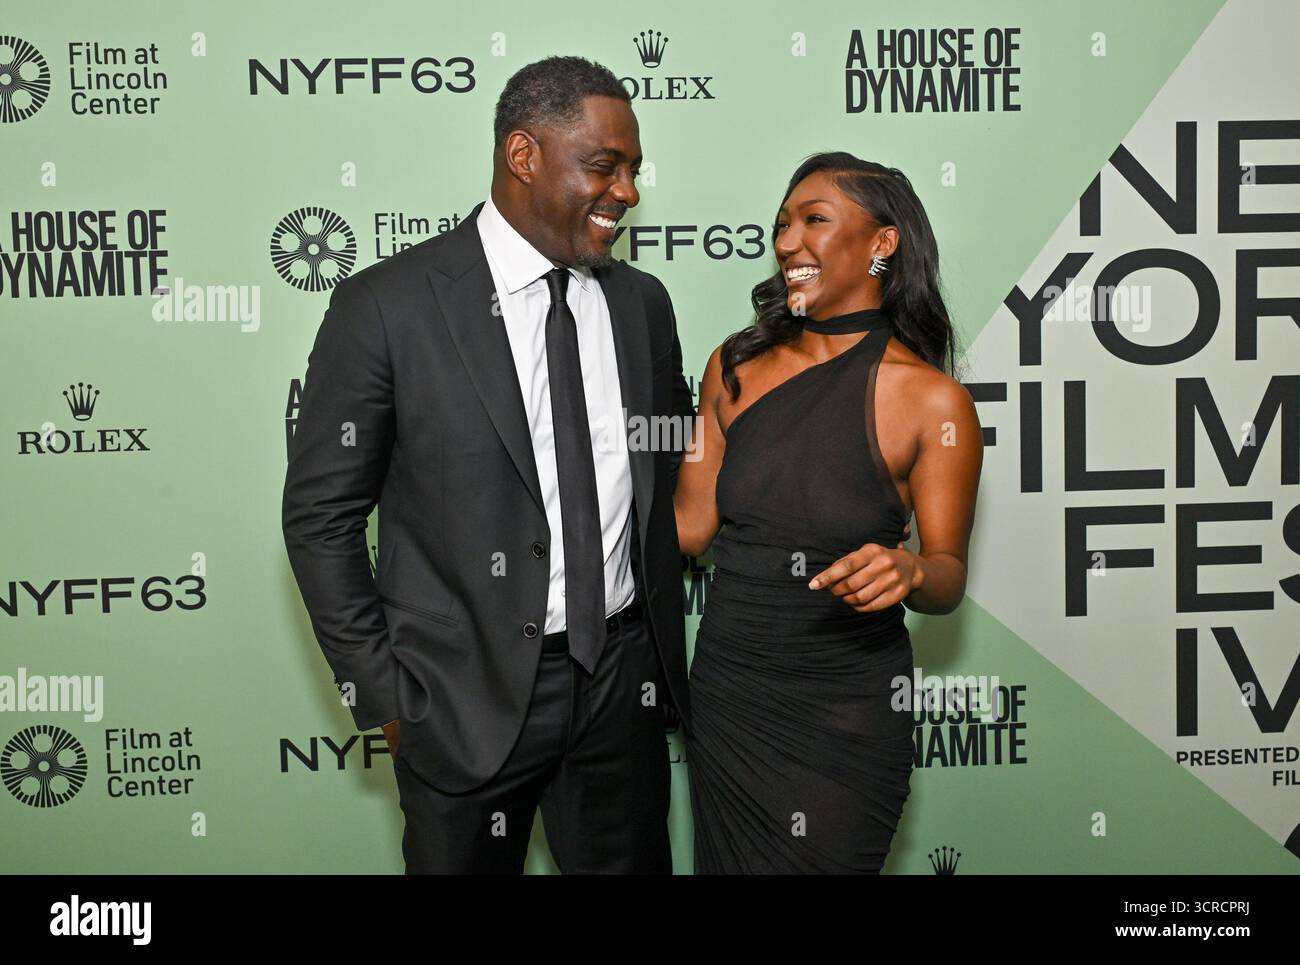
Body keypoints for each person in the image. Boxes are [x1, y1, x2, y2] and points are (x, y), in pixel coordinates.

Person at [282, 55, 694, 874]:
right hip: (458, 700)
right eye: (604, 167)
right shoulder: (388, 305)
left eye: (635, 170)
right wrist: (390, 699)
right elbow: (320, 521)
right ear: (523, 154)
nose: (629, 193)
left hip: (619, 687)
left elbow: (663, 474)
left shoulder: (640, 304)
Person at [674, 152, 982, 873]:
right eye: (782, 223)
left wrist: (910, 569)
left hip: (845, 710)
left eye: (814, 220)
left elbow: (947, 576)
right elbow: (688, 526)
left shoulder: (934, 402)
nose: (787, 241)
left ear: (883, 243)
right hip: (730, 693)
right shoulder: (733, 366)